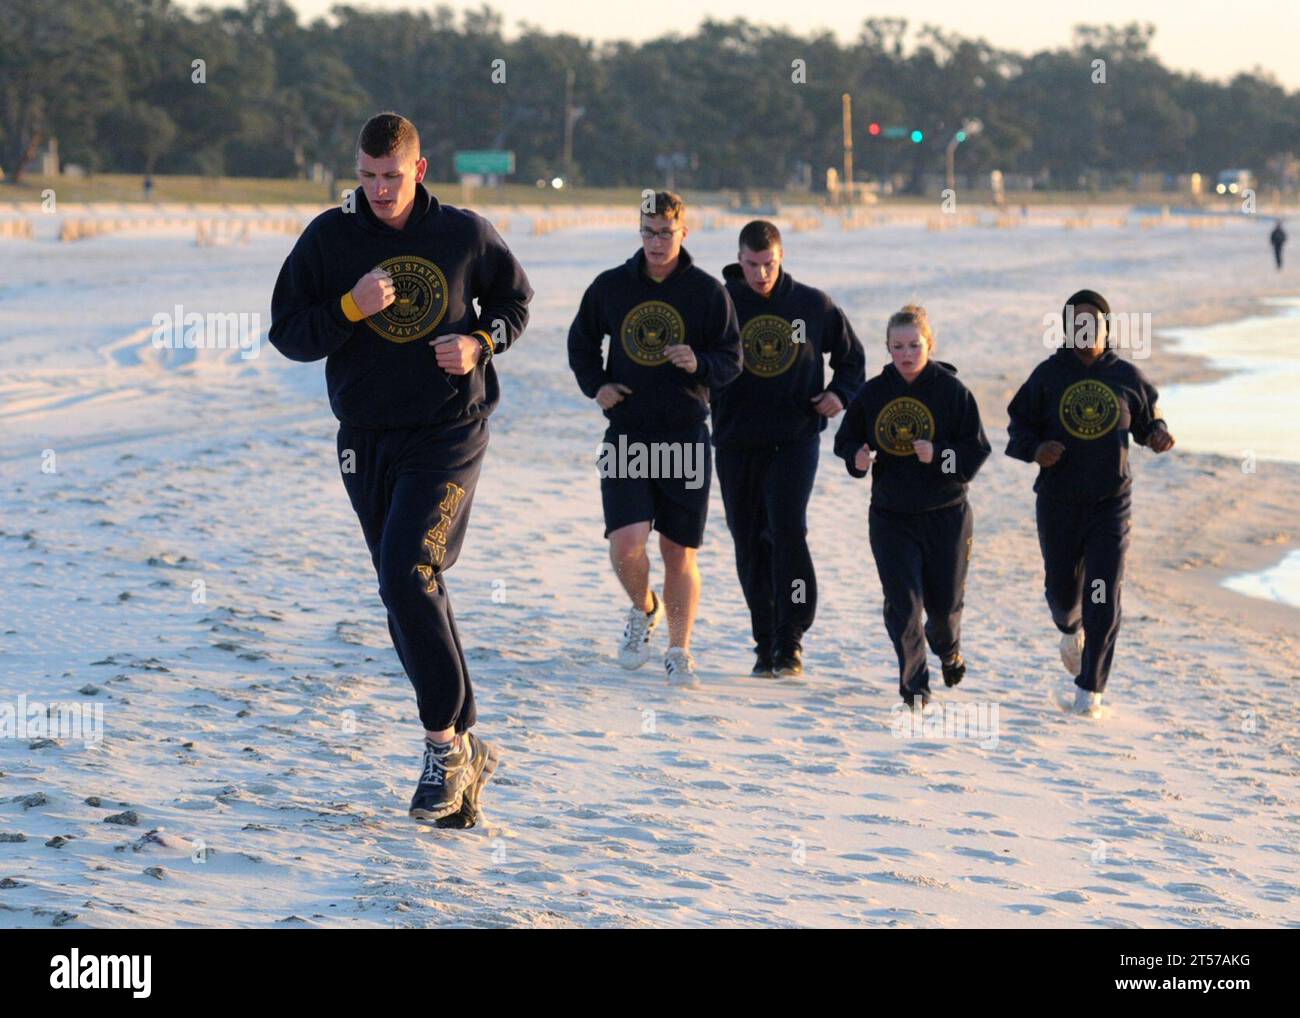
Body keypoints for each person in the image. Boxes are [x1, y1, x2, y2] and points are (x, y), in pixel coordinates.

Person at [268, 112, 532, 824]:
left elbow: (516, 302)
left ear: (419, 170)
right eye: (367, 176)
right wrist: (350, 307)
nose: (379, 190)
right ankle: (467, 744)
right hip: (365, 436)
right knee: (402, 586)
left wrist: (480, 341)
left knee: (407, 571)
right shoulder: (331, 237)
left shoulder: (463, 233)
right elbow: (288, 333)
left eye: (392, 176)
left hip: (448, 430)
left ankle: (443, 748)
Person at [567, 191, 742, 685]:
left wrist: (700, 363)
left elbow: (732, 360)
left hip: (686, 434)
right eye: (648, 232)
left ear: (684, 232)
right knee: (626, 544)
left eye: (666, 232)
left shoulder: (707, 292)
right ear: (639, 232)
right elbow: (581, 341)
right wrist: (596, 384)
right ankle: (644, 610)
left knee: (677, 551)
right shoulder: (612, 286)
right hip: (627, 432)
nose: (657, 242)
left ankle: (679, 649)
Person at [1006, 289, 1175, 717]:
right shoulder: (1047, 375)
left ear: (1106, 328)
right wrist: (1036, 450)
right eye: (1076, 323)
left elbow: (1148, 420)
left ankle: (1090, 692)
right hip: (1059, 503)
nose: (1085, 330)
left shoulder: (1125, 376)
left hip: (1109, 505)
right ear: (1065, 329)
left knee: (1103, 593)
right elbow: (1018, 426)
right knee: (1063, 596)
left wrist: (1157, 434)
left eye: (1093, 323)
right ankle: (1069, 627)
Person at [713, 220, 865, 677]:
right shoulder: (720, 303)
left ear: (781, 258)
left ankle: (791, 637)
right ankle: (764, 639)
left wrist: (840, 393)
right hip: (735, 438)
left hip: (795, 438)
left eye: (769, 264)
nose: (761, 274)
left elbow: (851, 359)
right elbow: (697, 359)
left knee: (787, 532)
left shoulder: (811, 304)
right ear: (740, 260)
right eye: (753, 265)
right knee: (748, 539)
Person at [833, 305, 990, 708]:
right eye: (898, 346)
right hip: (891, 517)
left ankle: (949, 649)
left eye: (914, 345)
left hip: (947, 515)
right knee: (903, 606)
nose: (906, 353)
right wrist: (858, 458)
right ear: (887, 347)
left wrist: (939, 455)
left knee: (941, 609)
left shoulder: (952, 392)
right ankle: (915, 687)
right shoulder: (873, 393)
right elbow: (845, 441)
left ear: (929, 345)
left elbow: (976, 453)